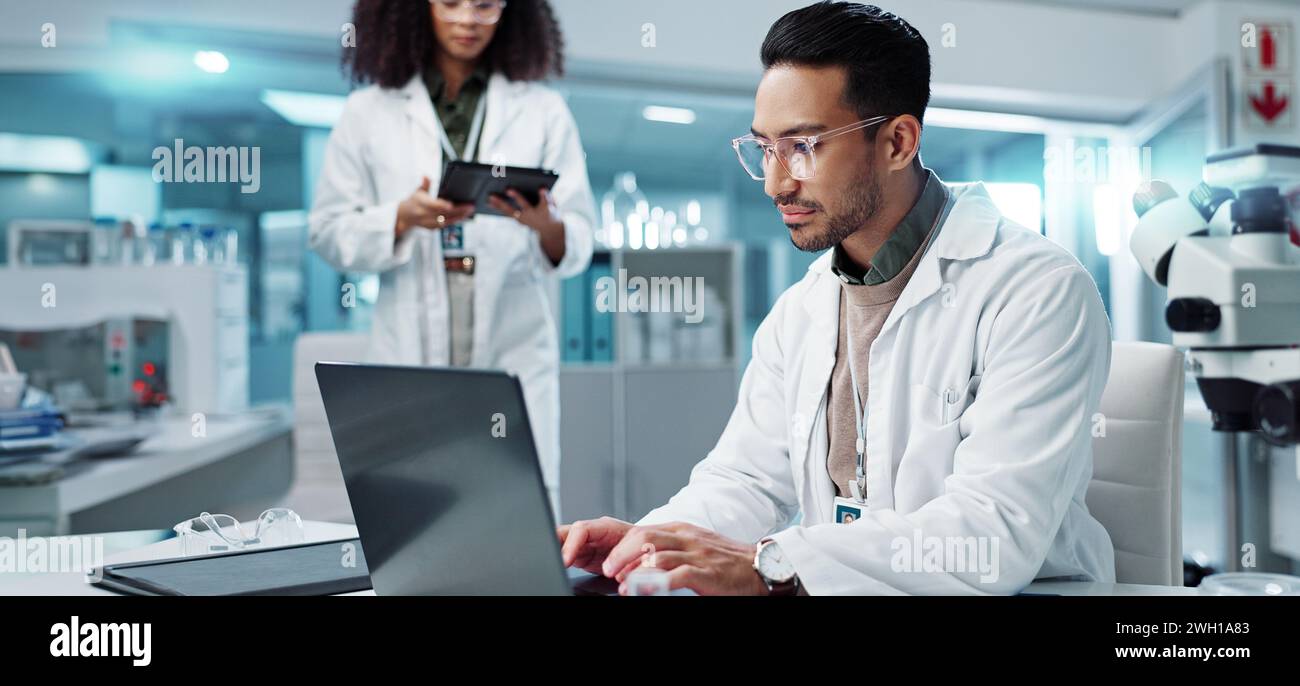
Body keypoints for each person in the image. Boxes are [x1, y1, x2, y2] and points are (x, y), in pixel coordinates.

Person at [557, 1, 1115, 595]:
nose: (776, 182)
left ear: (898, 141)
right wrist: (651, 545)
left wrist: (772, 565)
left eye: (804, 146)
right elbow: (744, 480)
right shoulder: (801, 310)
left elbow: (990, 536)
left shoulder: (1036, 290)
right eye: (765, 148)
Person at [310, 0, 596, 511]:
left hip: (514, 345)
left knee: (514, 521)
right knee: (412, 520)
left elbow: (577, 241)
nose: (468, 19)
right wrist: (400, 216)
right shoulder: (369, 111)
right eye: (451, 3)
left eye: (486, 5)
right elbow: (328, 231)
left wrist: (545, 224)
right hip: (408, 350)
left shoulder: (543, 110)